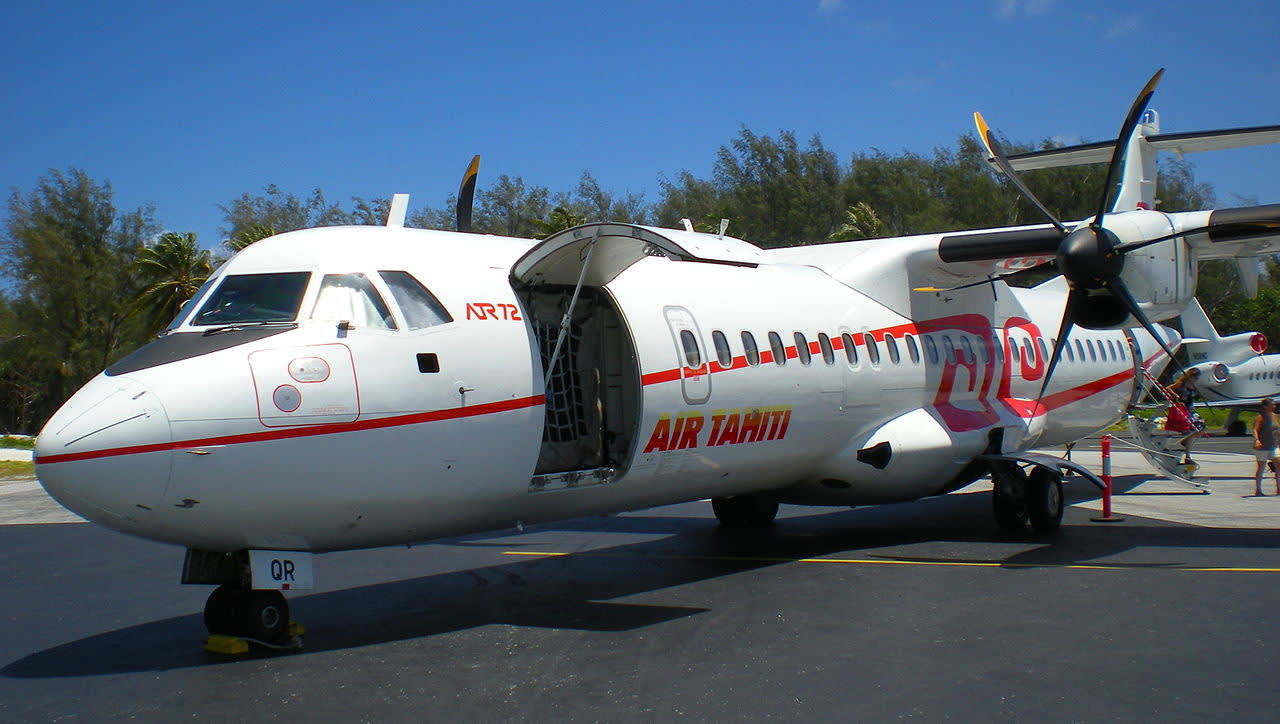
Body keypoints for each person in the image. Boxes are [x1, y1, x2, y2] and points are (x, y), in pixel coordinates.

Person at [1165, 369, 1205, 465]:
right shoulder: (1181, 384)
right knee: (1193, 429)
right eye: (1195, 377)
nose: (1196, 379)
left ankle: (1185, 443)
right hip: (1183, 410)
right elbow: (1168, 388)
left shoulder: (1193, 386)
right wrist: (1175, 396)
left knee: (1201, 428)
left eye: (1197, 377)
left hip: (1190, 410)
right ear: (1189, 376)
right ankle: (1187, 455)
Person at [1252, 397, 1280, 496]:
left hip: (1273, 445)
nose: (1274, 406)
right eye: (1271, 405)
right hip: (1262, 446)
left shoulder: (1275, 416)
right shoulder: (1260, 417)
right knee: (1261, 468)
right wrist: (1257, 440)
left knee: (1278, 466)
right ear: (1265, 407)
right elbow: (1255, 430)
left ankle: (1278, 489)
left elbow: (1277, 431)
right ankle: (1258, 490)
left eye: (1274, 404)